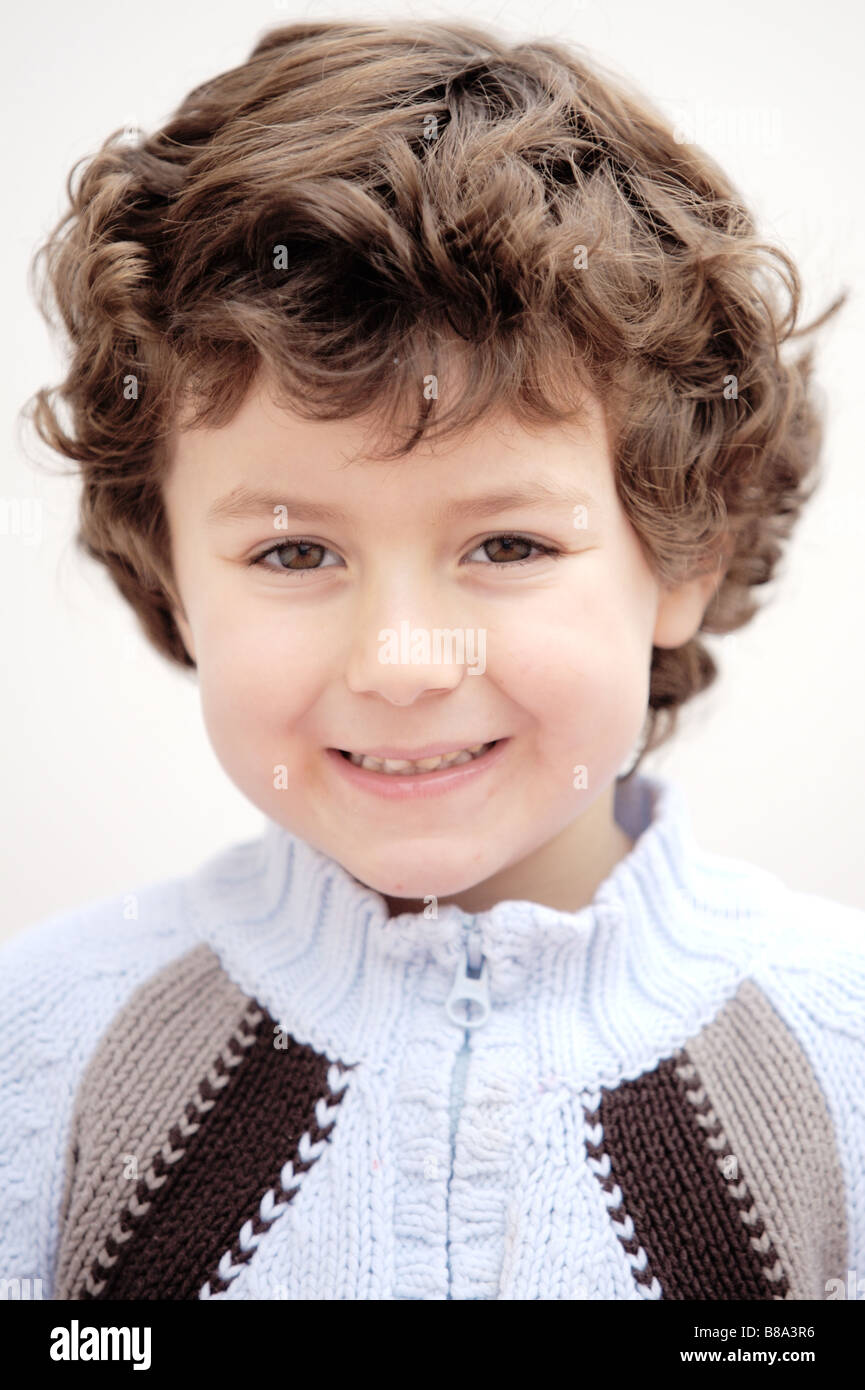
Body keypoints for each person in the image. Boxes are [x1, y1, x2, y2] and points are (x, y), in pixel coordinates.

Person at [2, 18, 862, 1301]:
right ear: (169, 572)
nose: (402, 663)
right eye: (295, 556)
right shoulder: (44, 1043)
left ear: (685, 549)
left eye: (507, 544)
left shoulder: (834, 1055)